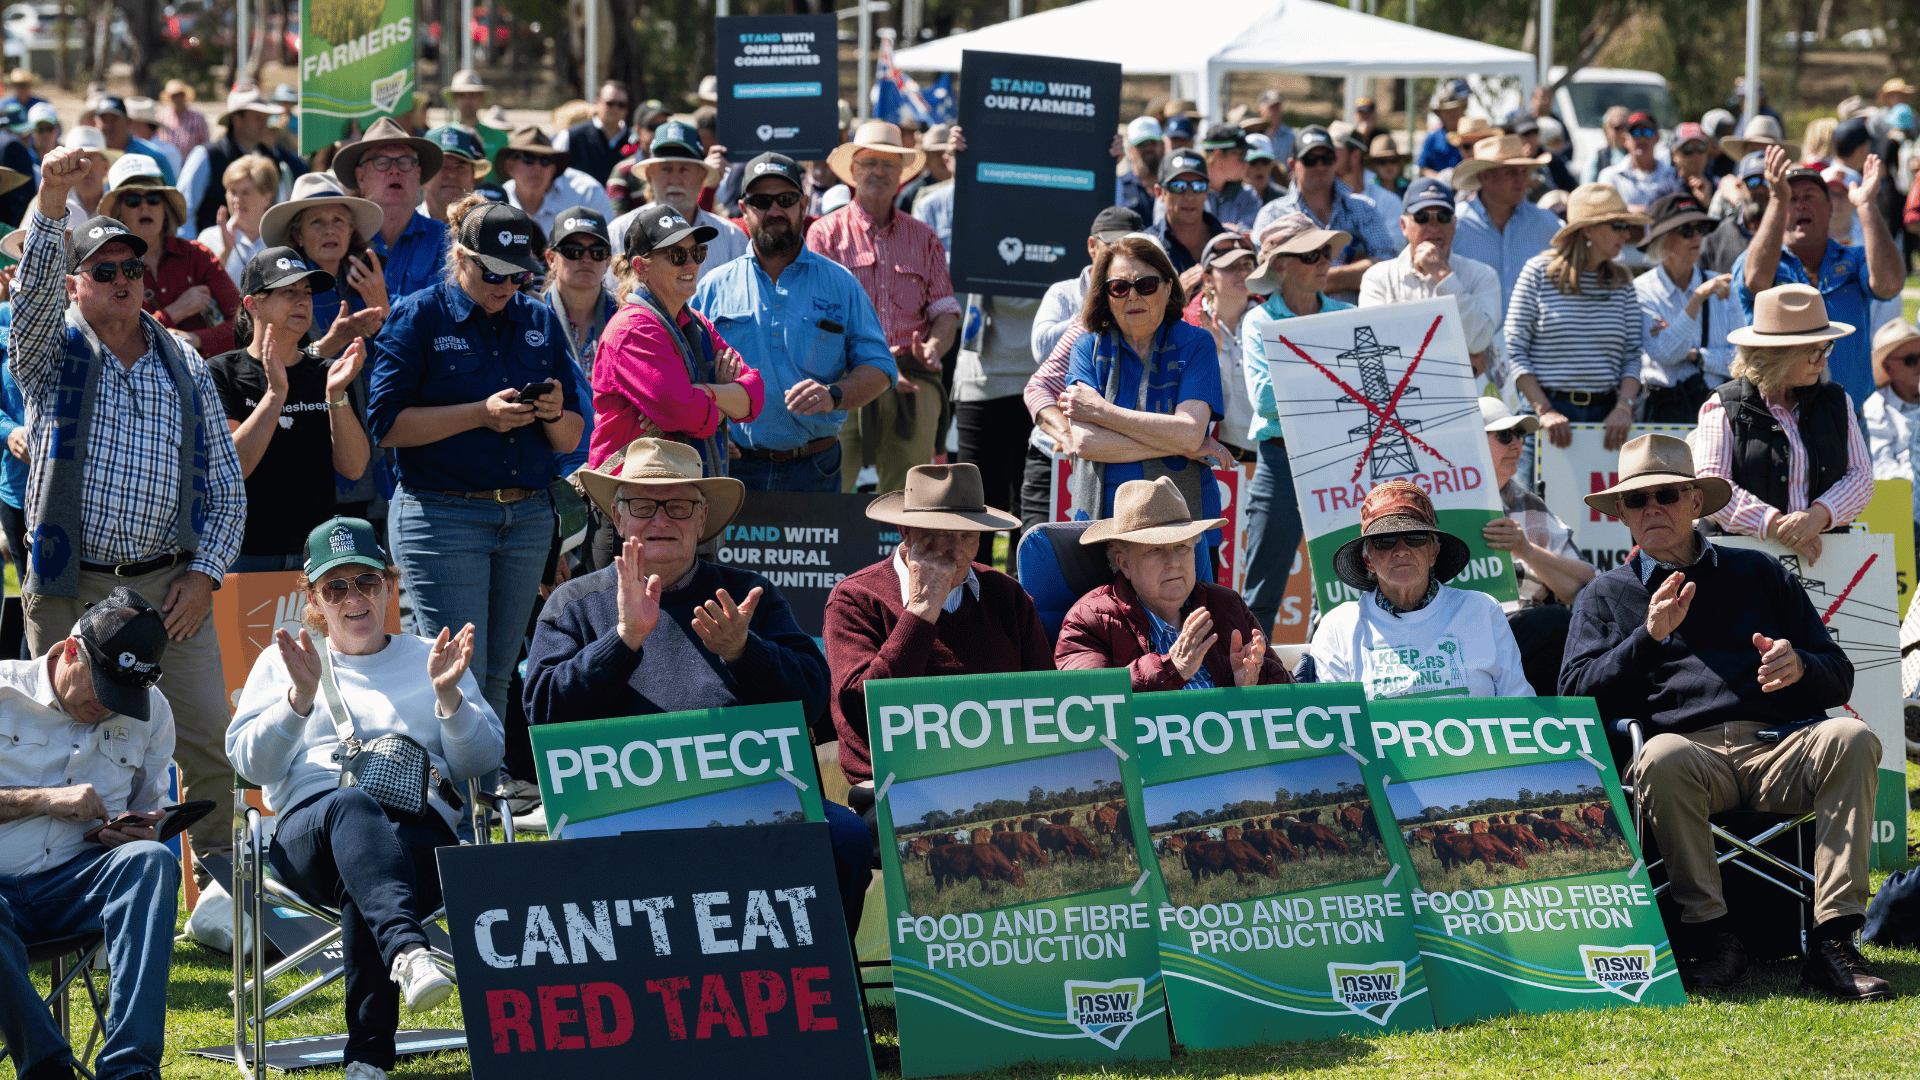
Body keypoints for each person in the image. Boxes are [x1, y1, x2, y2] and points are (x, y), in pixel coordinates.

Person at [1558, 433, 1884, 1000]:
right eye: (1637, 500)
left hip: (1779, 744)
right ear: (1622, 517)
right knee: (1660, 755)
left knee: (1852, 737)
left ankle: (1833, 940)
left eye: (1666, 494)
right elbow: (1575, 696)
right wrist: (1648, 637)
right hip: (1684, 756)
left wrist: (1799, 665)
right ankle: (1714, 938)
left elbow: (1840, 674)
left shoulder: (1759, 573)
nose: (1652, 507)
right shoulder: (1604, 595)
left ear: (1695, 502)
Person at [524, 439, 871, 929]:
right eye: (643, 505)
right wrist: (622, 642)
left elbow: (815, 697)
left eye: (679, 505)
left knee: (847, 837)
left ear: (702, 519)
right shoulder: (575, 602)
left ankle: (821, 985)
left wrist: (743, 651)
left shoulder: (748, 594)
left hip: (752, 800)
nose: (661, 519)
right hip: (624, 808)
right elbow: (542, 713)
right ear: (618, 519)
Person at [13, 148, 248, 869]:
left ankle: (217, 888)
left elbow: (230, 490)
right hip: (67, 582)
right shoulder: (49, 353)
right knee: (64, 740)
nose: (122, 282)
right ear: (76, 285)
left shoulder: (182, 357)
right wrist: (53, 198)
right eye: (104, 271)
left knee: (207, 734)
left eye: (132, 269)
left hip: (166, 583)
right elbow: (30, 295)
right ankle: (68, 878)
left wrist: (205, 575)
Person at [227, 517, 503, 1078]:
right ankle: (408, 949)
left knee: (375, 871)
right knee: (353, 810)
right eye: (336, 588)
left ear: (390, 586)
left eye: (367, 582)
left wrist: (449, 699)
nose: (354, 598)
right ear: (314, 600)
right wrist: (297, 701)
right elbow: (251, 766)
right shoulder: (286, 663)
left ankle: (369, 1057)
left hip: (417, 838)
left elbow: (482, 761)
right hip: (311, 836)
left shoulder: (435, 656)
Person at [366, 201, 586, 720]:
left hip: (526, 516)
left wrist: (552, 412)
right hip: (443, 513)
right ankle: (452, 799)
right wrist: (478, 415)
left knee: (498, 675)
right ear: (460, 257)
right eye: (494, 273)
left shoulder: (537, 317)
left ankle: (483, 796)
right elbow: (386, 426)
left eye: (518, 276)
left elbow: (570, 436)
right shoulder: (418, 314)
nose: (506, 286)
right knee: (455, 675)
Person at [0, 588, 179, 1080]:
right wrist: (42, 799)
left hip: (76, 884)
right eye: (102, 688)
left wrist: (131, 833)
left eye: (123, 696)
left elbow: (149, 810)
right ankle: (48, 1068)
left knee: (152, 862)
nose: (107, 706)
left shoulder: (151, 712)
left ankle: (130, 1069)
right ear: (70, 650)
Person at [825, 463, 1053, 784]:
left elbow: (1046, 699)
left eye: (968, 536)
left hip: (999, 775)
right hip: (898, 782)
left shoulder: (1006, 594)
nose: (956, 551)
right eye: (942, 535)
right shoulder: (856, 598)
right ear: (906, 532)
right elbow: (861, 708)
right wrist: (921, 610)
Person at [690, 153, 894, 492]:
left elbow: (880, 368)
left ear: (803, 203)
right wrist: (706, 429)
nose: (774, 211)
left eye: (785, 200)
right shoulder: (713, 286)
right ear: (743, 209)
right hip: (734, 470)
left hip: (814, 469)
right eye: (761, 201)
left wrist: (834, 394)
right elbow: (685, 373)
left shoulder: (840, 283)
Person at [808, 121, 959, 496]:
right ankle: (836, 554)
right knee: (831, 493)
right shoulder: (824, 234)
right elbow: (812, 317)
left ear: (901, 175)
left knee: (910, 499)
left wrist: (934, 348)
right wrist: (875, 366)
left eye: (889, 164)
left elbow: (946, 312)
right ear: (853, 171)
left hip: (912, 376)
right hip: (840, 378)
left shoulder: (923, 237)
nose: (879, 171)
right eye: (870, 162)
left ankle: (902, 555)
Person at [1060, 234, 1225, 567]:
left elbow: (1190, 432)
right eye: (1119, 287)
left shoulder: (1197, 344)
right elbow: (1087, 443)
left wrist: (1102, 411)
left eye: (1146, 284)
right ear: (1105, 296)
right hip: (1103, 526)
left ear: (1167, 287)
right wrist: (1182, 443)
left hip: (1184, 523)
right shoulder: (1086, 349)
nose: (1132, 295)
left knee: (1184, 618)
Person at [207, 247, 372, 571]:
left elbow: (354, 468)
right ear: (252, 304)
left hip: (318, 558)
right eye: (288, 292)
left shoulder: (330, 374)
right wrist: (275, 396)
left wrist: (336, 394)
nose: (302, 301)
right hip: (243, 555)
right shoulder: (219, 372)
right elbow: (232, 469)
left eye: (306, 293)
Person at [1056, 476, 1289, 690]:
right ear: (1124, 564)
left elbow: (1294, 698)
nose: (1174, 562)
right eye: (1155, 550)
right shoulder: (1088, 620)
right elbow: (1086, 701)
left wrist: (1251, 686)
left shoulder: (1227, 605)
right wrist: (1172, 668)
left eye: (1182, 547)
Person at [1696, 284, 1872, 563]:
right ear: (1778, 356)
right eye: (1814, 351)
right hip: (1741, 563)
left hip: (1826, 561)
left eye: (1826, 347)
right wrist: (1777, 526)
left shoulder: (1838, 401)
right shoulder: (1722, 406)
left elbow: (1861, 478)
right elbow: (1712, 487)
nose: (1823, 359)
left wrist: (1818, 517)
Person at [1308, 480, 1531, 699]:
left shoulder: (1482, 609)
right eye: (1385, 540)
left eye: (1414, 537)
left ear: (1433, 553)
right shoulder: (1338, 626)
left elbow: (1518, 703)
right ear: (1369, 561)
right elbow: (1337, 721)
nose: (1401, 550)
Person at [1238, 213, 1351, 635]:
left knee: (1342, 588)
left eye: (1326, 251)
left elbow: (1361, 396)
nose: (1324, 260)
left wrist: (1300, 379)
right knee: (1263, 589)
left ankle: (1328, 678)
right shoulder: (1259, 320)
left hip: (1341, 459)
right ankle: (1250, 683)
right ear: (1281, 265)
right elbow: (1265, 399)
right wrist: (1335, 384)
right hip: (1281, 459)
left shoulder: (1347, 313)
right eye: (1310, 254)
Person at [593, 202, 762, 476]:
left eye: (697, 252)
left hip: (682, 491)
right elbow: (683, 413)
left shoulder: (697, 322)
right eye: (677, 255)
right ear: (641, 266)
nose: (692, 263)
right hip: (631, 499)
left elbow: (755, 394)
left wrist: (702, 391)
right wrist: (722, 399)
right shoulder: (633, 329)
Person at [1736, 145, 1903, 407]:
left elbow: (1890, 284)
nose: (1800, 204)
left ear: (1829, 208)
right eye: (1791, 198)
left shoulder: (1854, 259)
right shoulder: (1757, 262)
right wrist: (1777, 198)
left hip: (1849, 420)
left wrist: (1867, 206)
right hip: (1776, 418)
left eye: (1810, 196)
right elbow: (1756, 281)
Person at [1506, 183, 1649, 486]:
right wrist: (1543, 410)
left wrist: (1624, 407)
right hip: (1544, 421)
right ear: (1588, 230)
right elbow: (1515, 349)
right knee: (1532, 525)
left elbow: (1632, 354)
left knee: (1600, 529)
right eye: (1619, 225)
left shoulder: (1622, 280)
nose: (1626, 235)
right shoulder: (1537, 272)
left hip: (1608, 422)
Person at [1480, 397, 1596, 695]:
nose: (1516, 444)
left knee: (1581, 618)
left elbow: (1585, 582)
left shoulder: (1530, 505)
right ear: (1474, 442)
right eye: (1505, 435)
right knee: (1554, 624)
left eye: (1520, 434)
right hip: (1470, 630)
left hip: (1530, 626)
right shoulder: (1443, 505)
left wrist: (1526, 551)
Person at [1359, 178, 1503, 387]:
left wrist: (1444, 274)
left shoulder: (1483, 275)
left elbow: (1477, 340)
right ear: (1404, 226)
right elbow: (1378, 351)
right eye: (1422, 217)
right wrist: (1459, 362)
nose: (1434, 226)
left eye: (1443, 217)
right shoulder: (1378, 278)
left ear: (1454, 225)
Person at [103, 153, 241, 355]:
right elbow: (119, 338)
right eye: (133, 200)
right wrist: (176, 311)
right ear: (119, 213)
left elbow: (244, 321)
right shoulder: (108, 269)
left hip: (206, 373)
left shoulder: (196, 254)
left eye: (153, 198)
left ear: (164, 208)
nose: (144, 206)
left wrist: (197, 339)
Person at [1256, 126, 1399, 302]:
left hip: (1358, 321)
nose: (1320, 166)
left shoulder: (1363, 208)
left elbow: (1388, 267)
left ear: (1336, 160)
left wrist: (1314, 280)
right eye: (1310, 159)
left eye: (1327, 159)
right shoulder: (1272, 215)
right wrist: (1357, 273)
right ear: (1292, 164)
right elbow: (1268, 280)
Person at [1633, 192, 1738, 423]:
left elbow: (1740, 360)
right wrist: (1697, 298)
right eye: (1686, 231)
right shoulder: (1642, 290)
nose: (1697, 237)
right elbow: (1667, 355)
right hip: (1661, 412)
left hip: (1715, 413)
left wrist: (1695, 356)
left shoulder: (1723, 285)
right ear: (1662, 240)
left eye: (1700, 228)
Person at [261, 172, 390, 347]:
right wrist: (331, 343)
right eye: (317, 222)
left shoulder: (367, 282)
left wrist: (383, 309)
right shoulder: (282, 289)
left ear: (350, 230)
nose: (330, 230)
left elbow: (397, 348)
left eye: (338, 220)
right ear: (298, 235)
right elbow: (281, 359)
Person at [606, 119, 746, 282]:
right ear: (649, 176)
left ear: (702, 176)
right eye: (666, 169)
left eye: (684, 169)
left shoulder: (732, 238)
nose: (675, 180)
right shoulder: (619, 233)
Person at [331, 117, 451, 303]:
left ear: (418, 175)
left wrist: (383, 303)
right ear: (360, 177)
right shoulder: (340, 239)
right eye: (381, 161)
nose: (394, 170)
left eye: (404, 161)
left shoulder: (446, 241)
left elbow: (442, 313)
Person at [1453, 133, 1565, 313]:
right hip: (1475, 339)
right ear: (1485, 176)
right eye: (1511, 172)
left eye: (1524, 171)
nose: (1521, 180)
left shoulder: (1546, 222)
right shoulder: (1455, 225)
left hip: (1531, 339)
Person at [178, 87, 306, 235]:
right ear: (237, 120)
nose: (264, 124)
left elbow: (276, 208)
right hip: (210, 252)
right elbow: (185, 210)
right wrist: (193, 252)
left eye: (266, 118)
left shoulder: (271, 158)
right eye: (258, 117)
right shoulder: (207, 155)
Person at [1184, 232, 1259, 460]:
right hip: (1216, 460)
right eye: (1230, 266)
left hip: (1270, 459)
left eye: (1247, 264)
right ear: (1207, 278)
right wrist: (1210, 355)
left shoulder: (1272, 321)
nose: (1243, 272)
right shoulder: (1186, 325)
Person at [496, 126, 614, 237]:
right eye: (528, 158)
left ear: (553, 169)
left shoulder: (587, 193)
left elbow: (607, 244)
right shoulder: (496, 202)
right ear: (510, 166)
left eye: (545, 160)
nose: (537, 167)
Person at [1145, 147, 1226, 273]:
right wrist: (1178, 291)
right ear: (1159, 192)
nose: (1189, 196)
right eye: (1178, 186)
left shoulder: (1229, 242)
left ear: (1207, 191)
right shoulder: (1145, 248)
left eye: (1198, 186)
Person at [198, 153, 276, 282]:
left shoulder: (279, 239)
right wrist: (226, 252)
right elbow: (201, 289)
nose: (237, 200)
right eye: (233, 192)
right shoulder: (209, 238)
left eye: (246, 193)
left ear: (267, 198)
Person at [1863, 318, 1920, 479]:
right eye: (1911, 360)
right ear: (1888, 368)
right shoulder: (1876, 408)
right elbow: (1882, 469)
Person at [1598, 112, 1681, 212]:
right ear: (1625, 139)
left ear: (1658, 138)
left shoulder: (1673, 175)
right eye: (1635, 132)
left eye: (1648, 132)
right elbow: (1605, 213)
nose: (1642, 138)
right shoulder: (1611, 177)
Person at [554, 80, 631, 185]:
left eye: (621, 105)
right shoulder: (571, 136)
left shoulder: (634, 140)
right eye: (610, 103)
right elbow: (553, 174)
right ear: (597, 103)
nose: (615, 108)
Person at [1702, 152, 1769, 272]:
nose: (1760, 189)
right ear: (1739, 186)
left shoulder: (1787, 234)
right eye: (1752, 182)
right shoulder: (1717, 236)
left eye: (1767, 182)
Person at [89, 96, 176, 185]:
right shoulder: (88, 155)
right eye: (104, 119)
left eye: (114, 119)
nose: (108, 125)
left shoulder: (153, 157)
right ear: (95, 123)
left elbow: (170, 193)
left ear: (128, 122)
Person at [1197, 123, 1261, 230]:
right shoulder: (1188, 190)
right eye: (1241, 155)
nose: (1246, 163)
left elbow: (1248, 237)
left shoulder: (1248, 195)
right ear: (1218, 155)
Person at [421, 125, 489, 223]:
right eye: (442, 165)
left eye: (460, 167)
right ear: (422, 174)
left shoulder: (485, 231)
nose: (452, 174)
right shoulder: (401, 227)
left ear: (473, 177)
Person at [444, 69, 509, 163]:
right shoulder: (441, 136)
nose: (467, 101)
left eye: (472, 95)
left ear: (481, 97)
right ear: (454, 98)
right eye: (462, 95)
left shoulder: (500, 139)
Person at [1417, 80, 1471, 178]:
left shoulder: (1471, 135)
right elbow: (1423, 168)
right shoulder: (1432, 137)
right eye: (1447, 111)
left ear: (1461, 110)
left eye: (1455, 110)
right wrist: (1441, 179)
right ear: (1440, 113)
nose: (1452, 114)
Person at [1116, 116, 1163, 224]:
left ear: (1163, 146)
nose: (1148, 148)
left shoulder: (1174, 186)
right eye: (1140, 144)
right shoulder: (1119, 187)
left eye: (1152, 142)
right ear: (1129, 150)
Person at [124, 98, 182, 177]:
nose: (126, 127)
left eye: (129, 123)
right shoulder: (169, 150)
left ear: (142, 125)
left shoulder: (167, 152)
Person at [1669, 123, 1716, 208]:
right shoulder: (1666, 192)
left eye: (1701, 148)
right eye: (1688, 149)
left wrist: (1709, 203)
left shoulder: (1719, 187)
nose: (1696, 155)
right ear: (1674, 155)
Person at [1585, 105, 1634, 184]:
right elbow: (1587, 189)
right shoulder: (1599, 156)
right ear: (1606, 130)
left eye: (1627, 127)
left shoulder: (1638, 154)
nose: (1624, 131)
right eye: (1618, 127)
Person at [159, 77, 208, 156]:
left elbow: (205, 143)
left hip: (191, 161)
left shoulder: (198, 118)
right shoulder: (161, 118)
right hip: (169, 161)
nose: (178, 99)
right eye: (174, 96)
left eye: (180, 95)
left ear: (185, 96)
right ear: (169, 98)